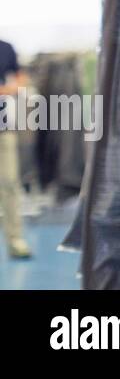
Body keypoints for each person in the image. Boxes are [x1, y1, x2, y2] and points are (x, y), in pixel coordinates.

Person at [0, 37, 33, 260]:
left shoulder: (6, 48)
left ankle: (15, 240)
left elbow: (21, 78)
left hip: (3, 127)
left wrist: (7, 89)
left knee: (10, 183)